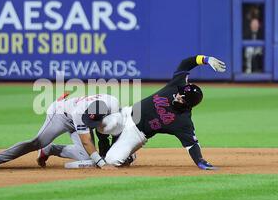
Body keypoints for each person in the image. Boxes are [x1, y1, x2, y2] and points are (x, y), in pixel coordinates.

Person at [65, 55, 226, 170]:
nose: (178, 95)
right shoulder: (177, 84)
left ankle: (126, 154)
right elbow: (185, 64)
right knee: (107, 125)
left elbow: (192, 144)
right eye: (180, 92)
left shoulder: (183, 122)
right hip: (127, 114)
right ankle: (105, 144)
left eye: (182, 97)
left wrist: (200, 162)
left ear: (188, 104)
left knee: (111, 161)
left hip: (136, 135)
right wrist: (206, 59)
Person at [0, 93, 120, 168]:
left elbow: (109, 132)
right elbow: (86, 141)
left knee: (86, 156)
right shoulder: (80, 113)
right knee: (37, 142)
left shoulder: (113, 103)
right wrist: (102, 163)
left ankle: (50, 149)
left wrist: (110, 155)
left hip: (74, 111)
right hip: (60, 114)